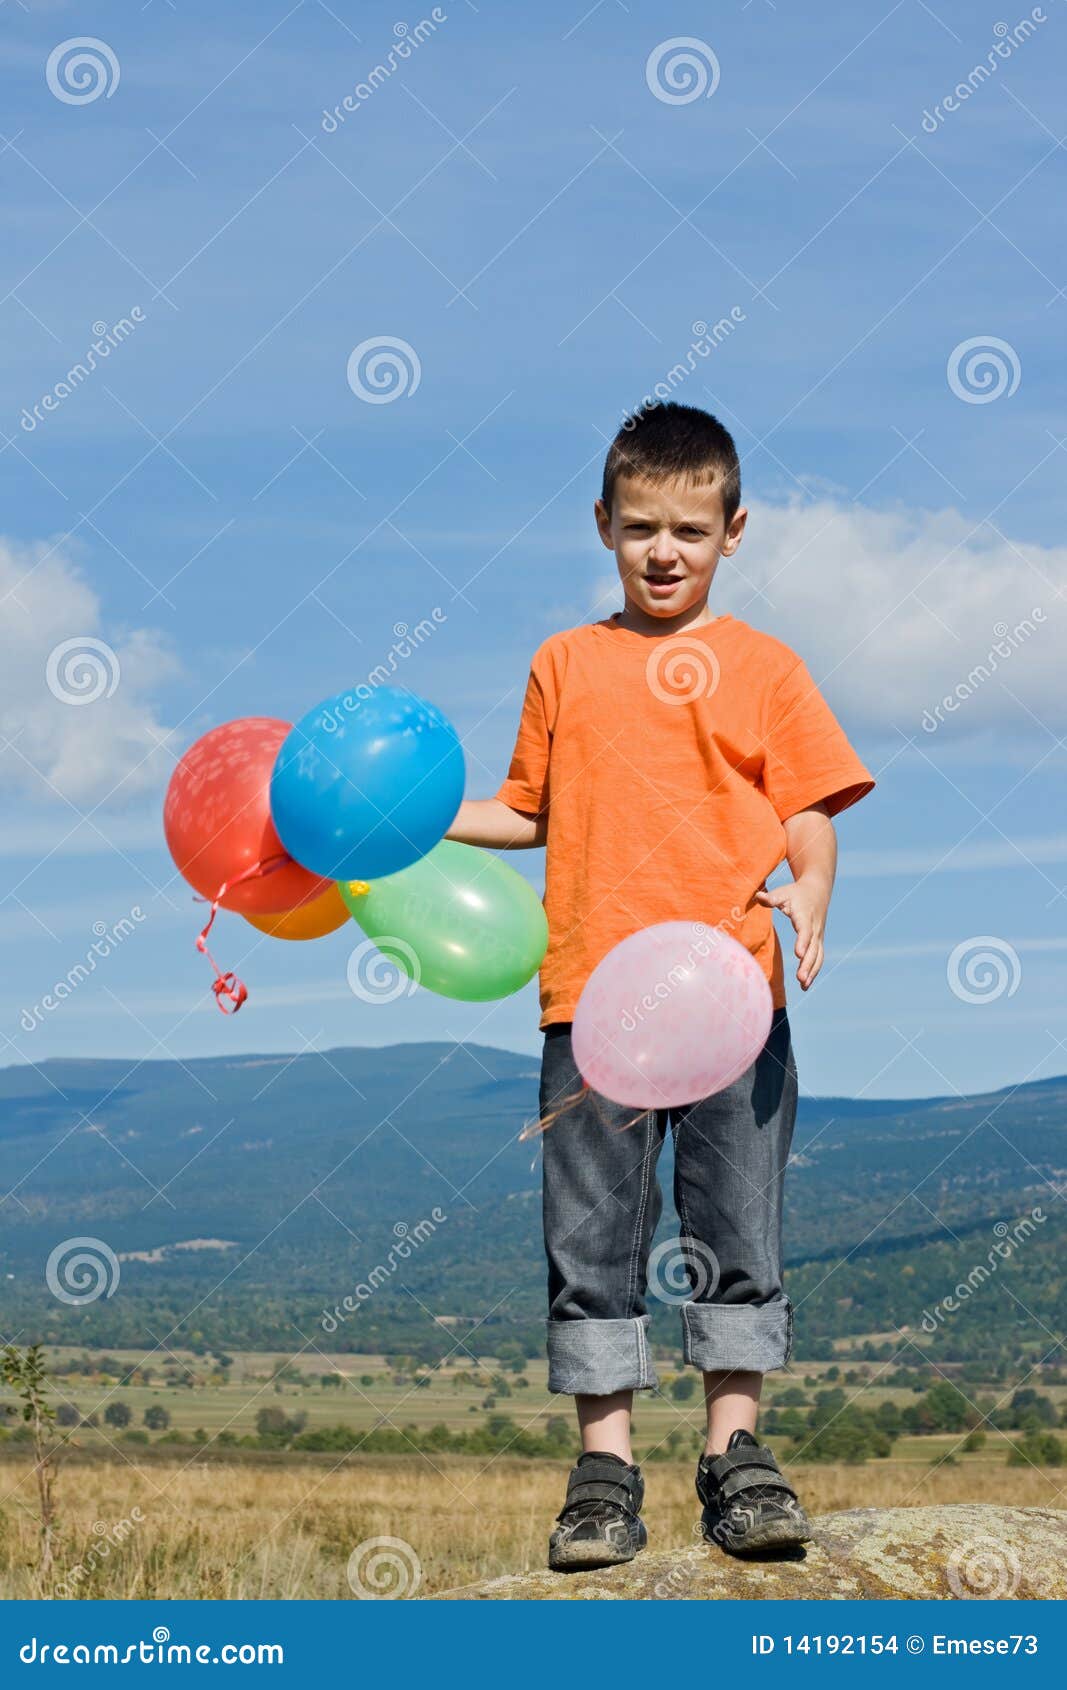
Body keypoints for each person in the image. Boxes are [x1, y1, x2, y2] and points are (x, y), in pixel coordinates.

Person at [446, 401, 875, 1568]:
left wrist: (813, 887)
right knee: (589, 1239)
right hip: (590, 1000)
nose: (664, 550)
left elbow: (806, 811)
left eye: (690, 527)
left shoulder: (765, 668)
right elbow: (522, 811)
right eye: (640, 527)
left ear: (734, 530)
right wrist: (416, 817)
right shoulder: (563, 663)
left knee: (736, 1226)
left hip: (734, 995)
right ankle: (604, 1472)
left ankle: (735, 1456)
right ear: (601, 525)